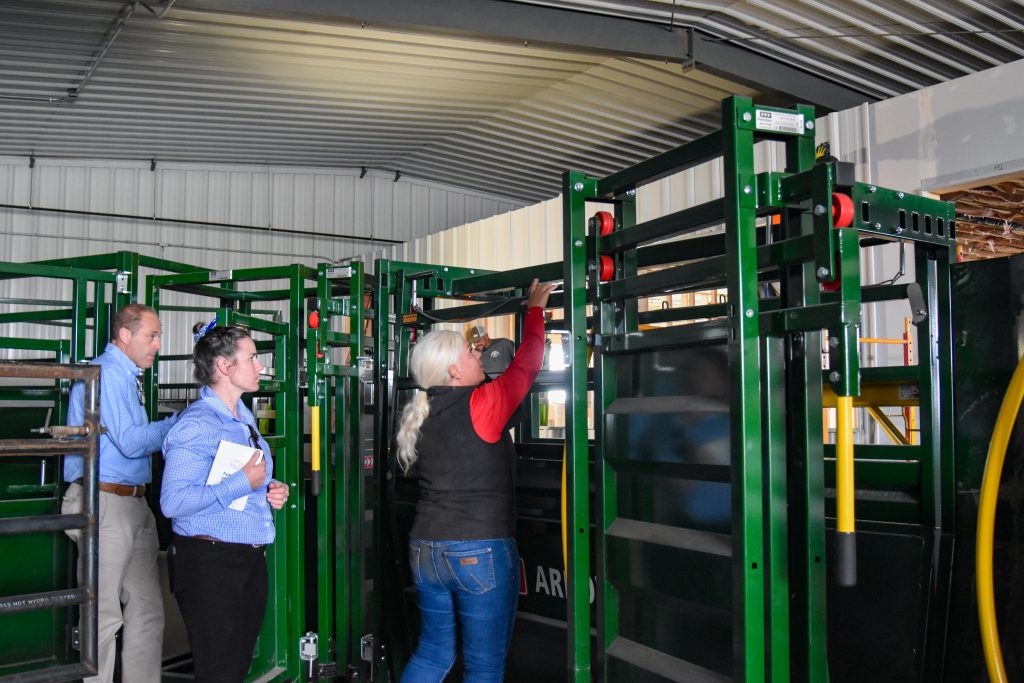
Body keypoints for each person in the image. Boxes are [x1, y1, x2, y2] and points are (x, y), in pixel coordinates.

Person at [397, 279, 555, 682]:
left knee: (432, 655)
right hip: (478, 550)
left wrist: (481, 362)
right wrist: (534, 310)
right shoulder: (482, 404)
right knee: (484, 666)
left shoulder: (422, 411)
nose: (477, 351)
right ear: (453, 370)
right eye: (469, 351)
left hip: (425, 550)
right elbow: (528, 365)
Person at [160, 325, 289, 683]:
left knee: (235, 666)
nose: (260, 366)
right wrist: (240, 484)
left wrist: (268, 489)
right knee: (219, 671)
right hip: (210, 563)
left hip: (247, 557)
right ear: (223, 367)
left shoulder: (242, 418)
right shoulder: (197, 425)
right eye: (251, 357)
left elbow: (245, 478)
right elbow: (173, 502)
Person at [61, 303, 178, 683]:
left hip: (133, 502)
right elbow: (129, 442)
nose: (158, 344)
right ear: (124, 335)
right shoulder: (108, 373)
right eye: (151, 336)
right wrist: (182, 423)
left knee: (146, 611)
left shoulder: (127, 376)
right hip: (104, 502)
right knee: (103, 613)